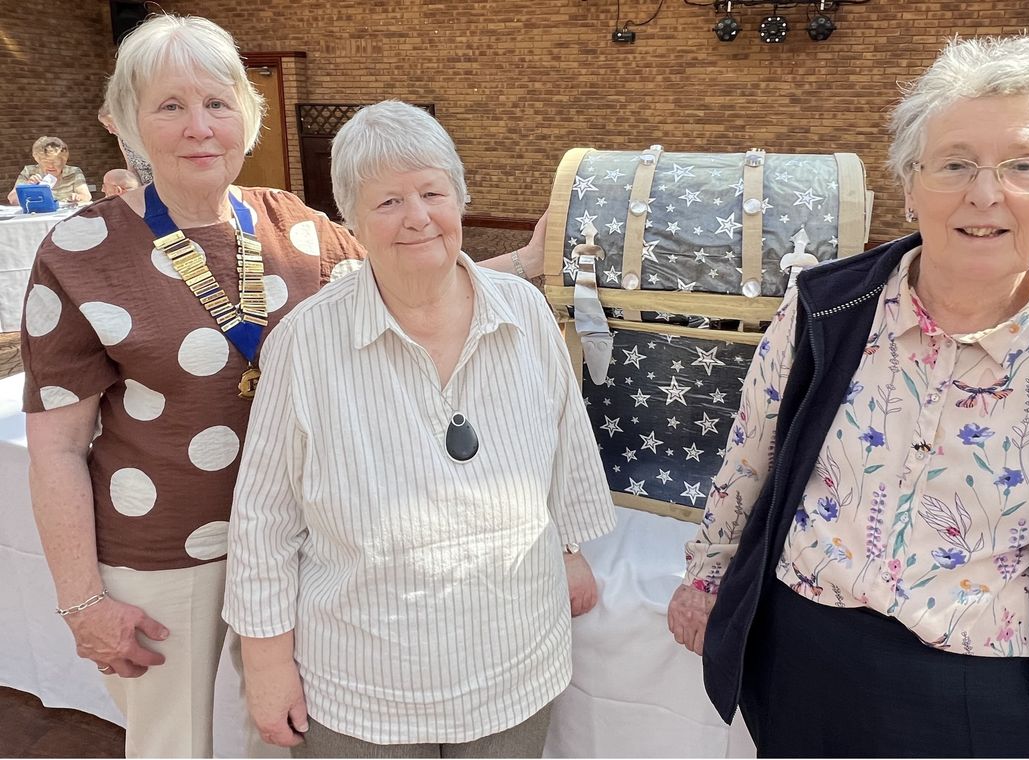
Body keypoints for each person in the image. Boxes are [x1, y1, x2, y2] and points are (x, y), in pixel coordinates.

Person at [22, 15, 544, 759]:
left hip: (301, 549)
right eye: (170, 106)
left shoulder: (293, 226)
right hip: (166, 555)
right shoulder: (81, 249)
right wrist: (83, 602)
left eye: (218, 103)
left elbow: (406, 283)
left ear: (247, 115)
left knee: (279, 738)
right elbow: (57, 448)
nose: (199, 127)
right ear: (128, 123)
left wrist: (524, 262)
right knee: (171, 745)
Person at [667, 35, 1029, 758]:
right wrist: (709, 575)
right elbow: (753, 451)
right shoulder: (826, 308)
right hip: (806, 654)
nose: (985, 192)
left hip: (984, 689)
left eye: (1023, 166)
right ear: (910, 183)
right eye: (955, 162)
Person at [222, 100, 615, 759]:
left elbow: (565, 437)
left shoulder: (523, 312)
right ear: (353, 220)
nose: (417, 217)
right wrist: (265, 665)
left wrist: (569, 545)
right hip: (363, 684)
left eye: (432, 192)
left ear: (459, 196)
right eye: (387, 202)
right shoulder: (307, 342)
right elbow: (264, 517)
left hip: (512, 664)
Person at [7, 135, 91, 205]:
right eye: (46, 162)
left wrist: (78, 198)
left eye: (56, 162)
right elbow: (12, 199)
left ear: (64, 160)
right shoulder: (29, 171)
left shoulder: (74, 172)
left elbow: (86, 196)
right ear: (38, 160)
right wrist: (27, 187)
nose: (51, 166)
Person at [99, 102, 155, 185]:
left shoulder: (149, 134)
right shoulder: (122, 139)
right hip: (146, 188)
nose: (110, 131)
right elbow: (132, 170)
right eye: (106, 126)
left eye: (112, 125)